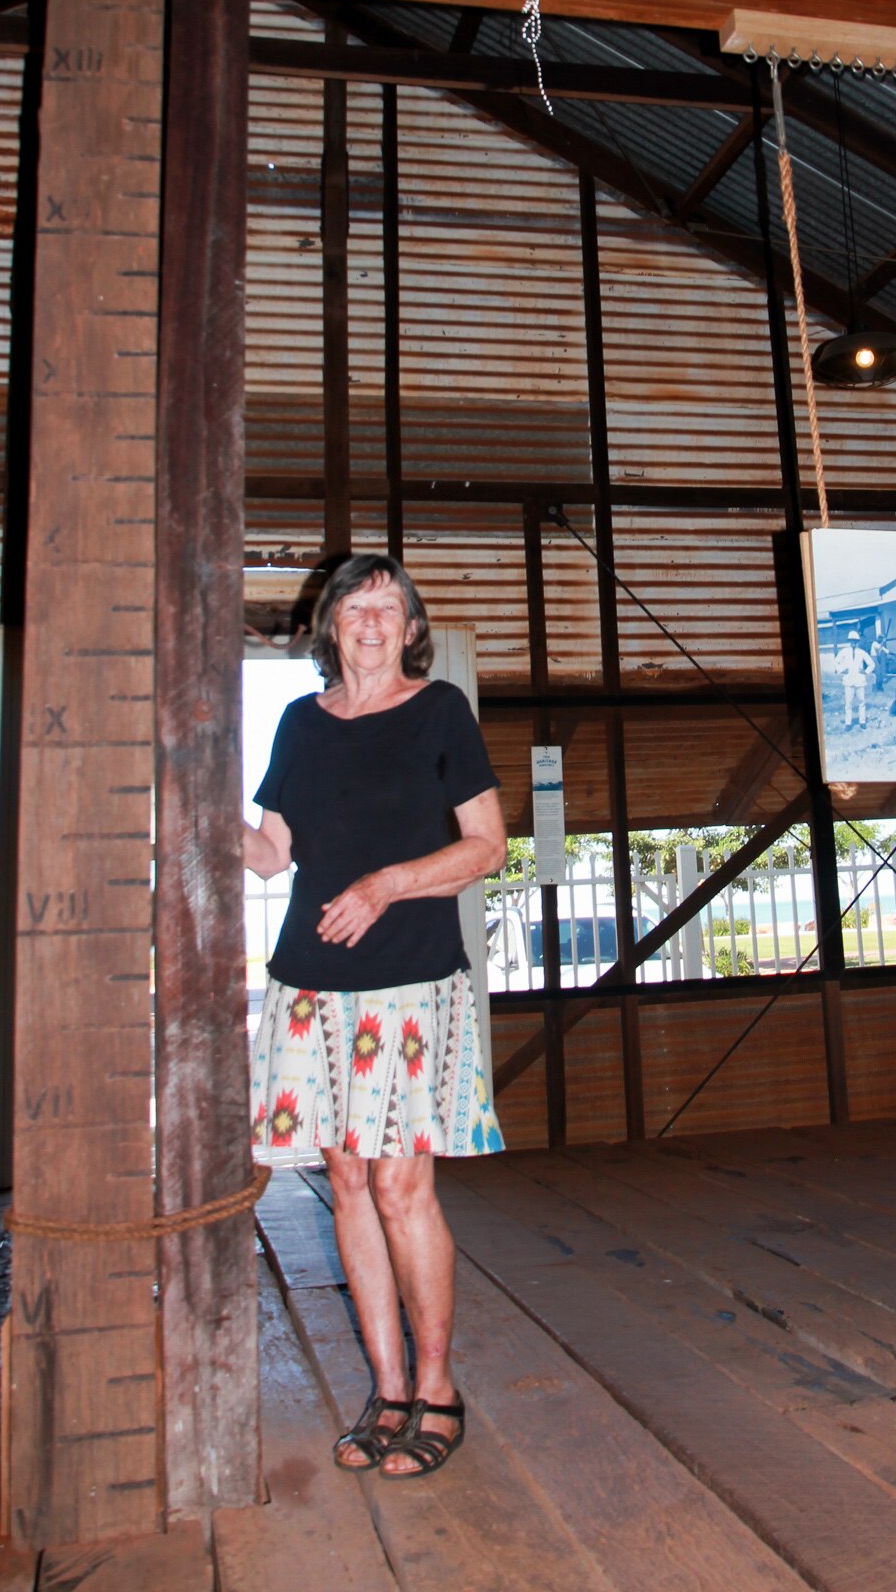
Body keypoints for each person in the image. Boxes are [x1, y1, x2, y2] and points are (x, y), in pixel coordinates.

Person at [245, 553, 507, 1481]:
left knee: (401, 1191)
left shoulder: (439, 712)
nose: (369, 619)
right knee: (346, 1188)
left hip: (408, 981)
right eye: (353, 605)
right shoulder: (298, 725)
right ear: (330, 625)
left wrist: (385, 885)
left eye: (387, 607)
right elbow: (269, 854)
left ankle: (438, 1389)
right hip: (310, 986)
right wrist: (184, 793)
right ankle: (387, 1389)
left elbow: (485, 847)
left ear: (408, 629)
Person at [834, 628, 873, 728]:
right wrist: (841, 670)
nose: (853, 643)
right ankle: (848, 723)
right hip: (848, 681)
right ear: (849, 641)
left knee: (861, 701)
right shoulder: (844, 652)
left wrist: (866, 672)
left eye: (855, 641)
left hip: (859, 680)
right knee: (848, 703)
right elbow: (836, 662)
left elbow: (871, 664)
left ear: (858, 642)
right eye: (851, 641)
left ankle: (862, 722)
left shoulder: (862, 652)